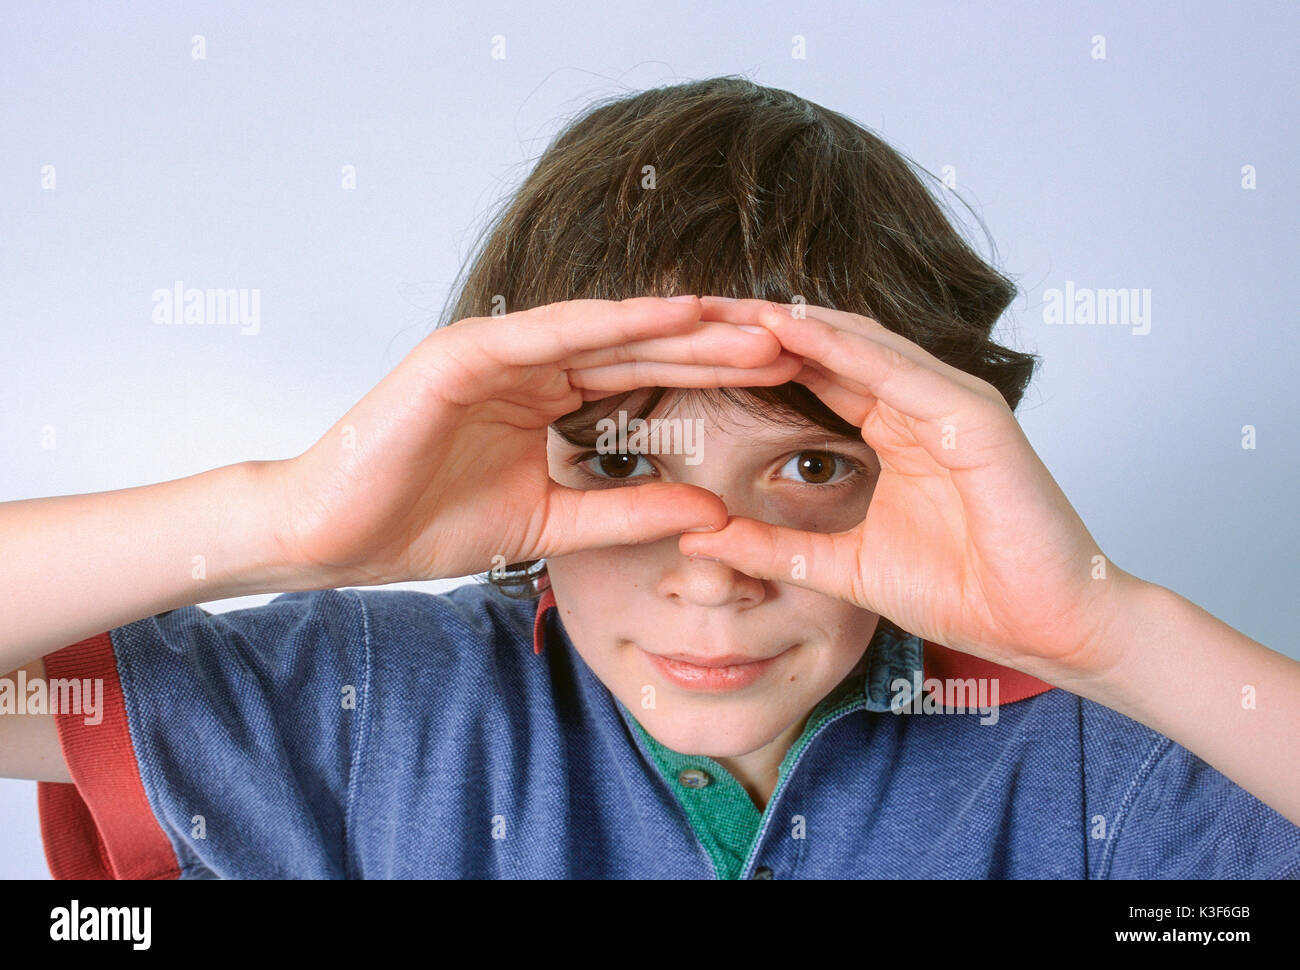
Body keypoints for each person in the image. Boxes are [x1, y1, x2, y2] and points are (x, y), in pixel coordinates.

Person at [3, 77, 1297, 879]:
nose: (713, 571)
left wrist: (1104, 625)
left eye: (805, 462)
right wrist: (284, 517)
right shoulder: (376, 705)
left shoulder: (1092, 756)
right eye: (623, 461)